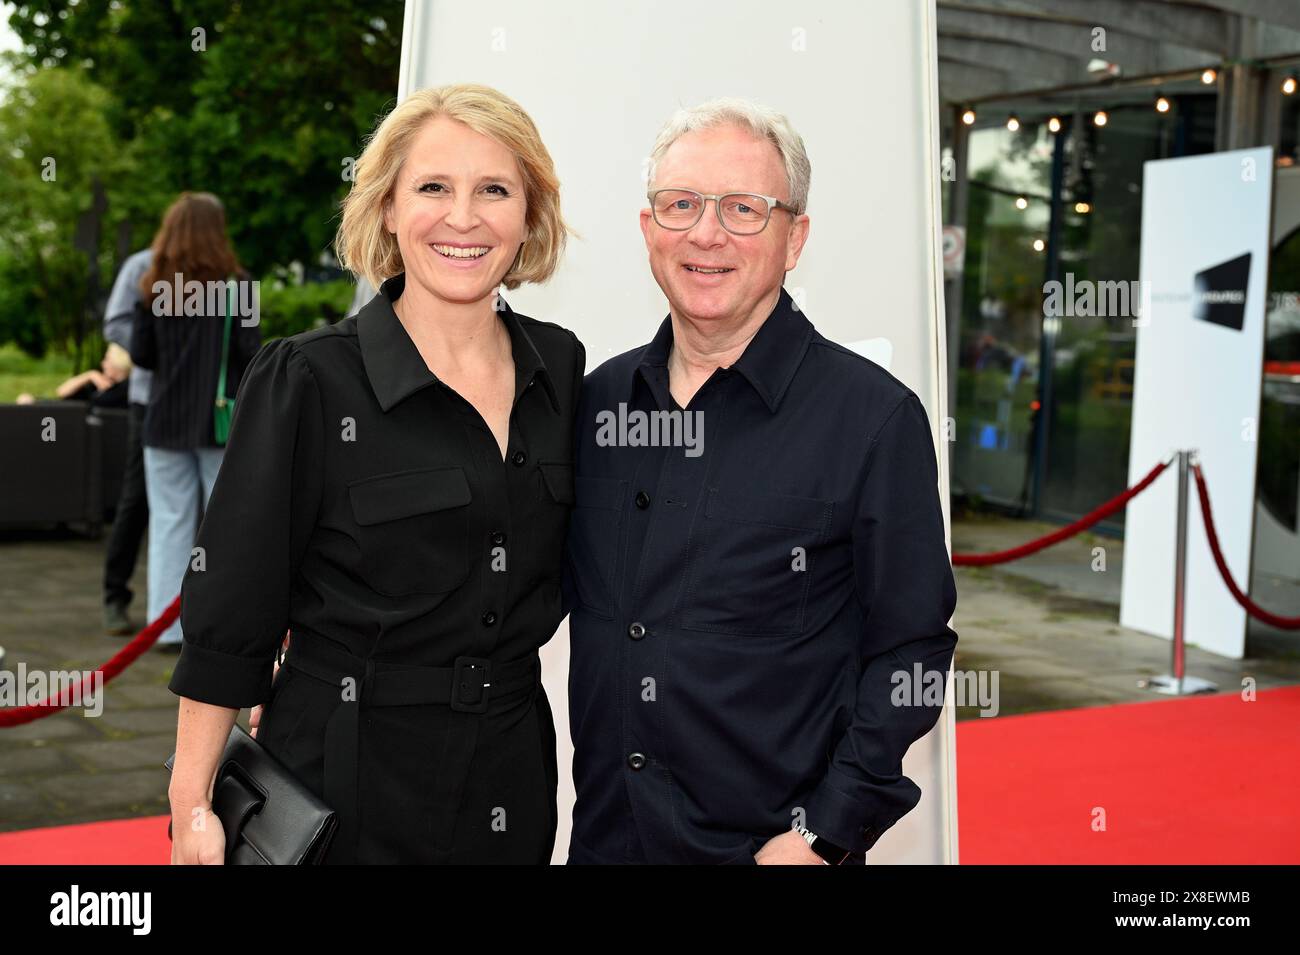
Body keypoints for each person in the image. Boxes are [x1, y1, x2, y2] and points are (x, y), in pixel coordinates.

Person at [166, 83, 583, 865]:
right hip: (343, 778)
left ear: (529, 214)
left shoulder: (560, 367)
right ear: (388, 208)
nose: (463, 217)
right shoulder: (308, 381)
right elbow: (233, 611)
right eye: (433, 187)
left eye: (494, 189)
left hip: (510, 770)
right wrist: (192, 803)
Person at [564, 98, 959, 865]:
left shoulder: (873, 419)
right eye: (682, 204)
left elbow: (914, 654)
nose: (706, 233)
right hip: (609, 841)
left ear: (795, 237)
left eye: (745, 209)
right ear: (649, 229)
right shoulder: (596, 404)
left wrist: (823, 834)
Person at [128, 193, 261, 650]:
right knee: (224, 526)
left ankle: (165, 627)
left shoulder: (152, 287)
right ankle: (224, 622)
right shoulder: (238, 285)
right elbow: (251, 355)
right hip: (220, 423)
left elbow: (141, 356)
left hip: (163, 420)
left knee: (168, 522)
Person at [101, 247, 155, 636]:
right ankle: (114, 596)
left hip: (205, 408)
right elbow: (116, 322)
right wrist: (158, 350)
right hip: (150, 399)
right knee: (136, 499)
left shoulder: (221, 267)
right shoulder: (141, 265)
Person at [14, 342, 131, 408]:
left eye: (107, 359)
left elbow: (86, 407)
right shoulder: (100, 383)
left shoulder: (121, 391)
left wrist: (35, 403)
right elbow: (61, 392)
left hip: (67, 420)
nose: (103, 363)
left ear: (118, 363)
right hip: (65, 414)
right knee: (24, 399)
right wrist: (90, 375)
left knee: (25, 402)